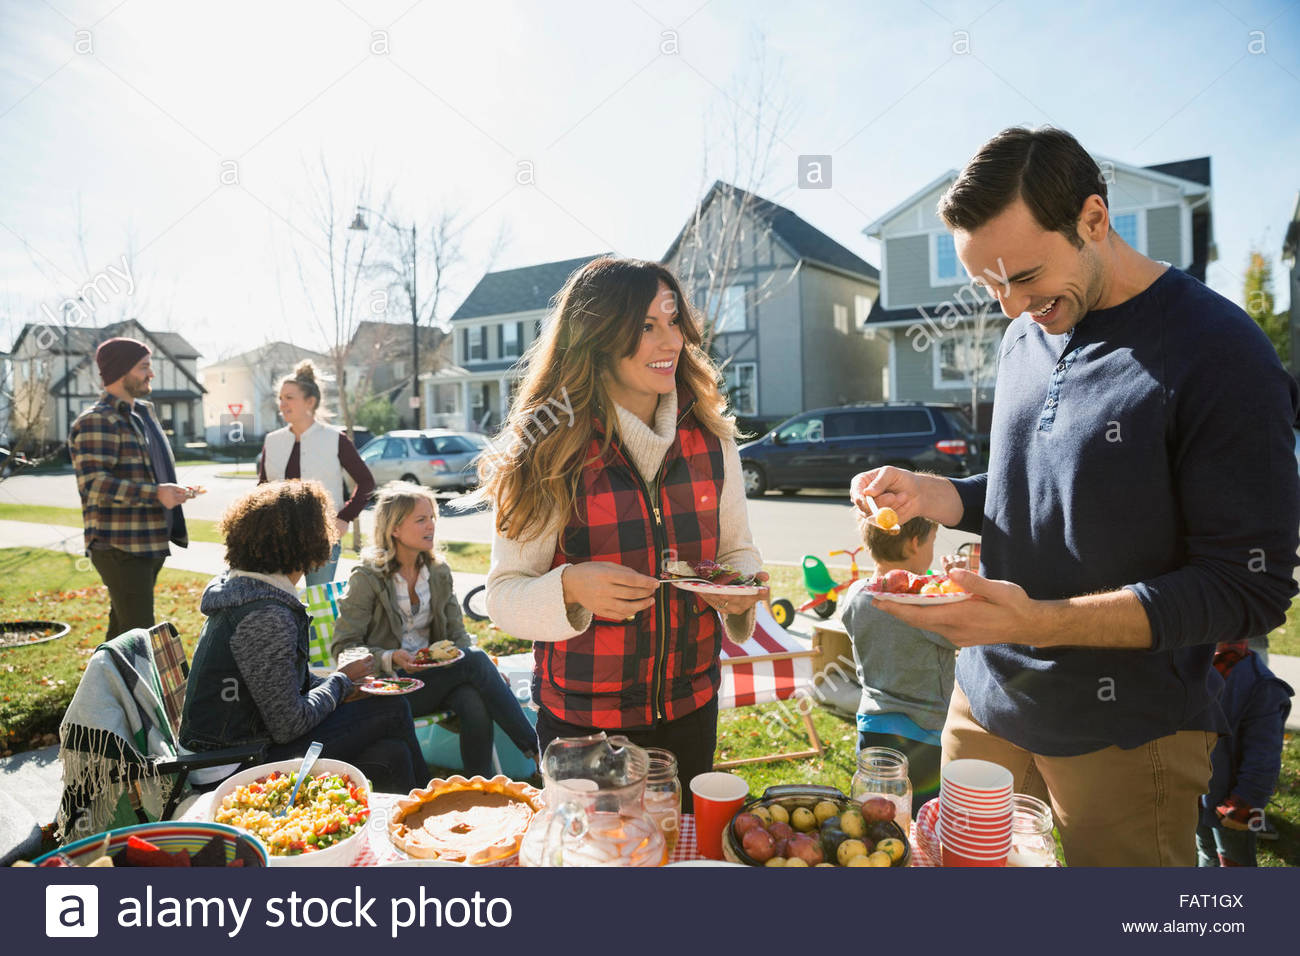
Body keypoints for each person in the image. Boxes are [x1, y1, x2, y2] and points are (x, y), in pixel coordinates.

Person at [850, 126, 1299, 866]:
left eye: (1023, 277)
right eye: (989, 285)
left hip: (1127, 737)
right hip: (986, 699)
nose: (1009, 306)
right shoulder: (1028, 331)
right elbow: (1031, 487)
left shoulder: (1221, 352)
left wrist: (1043, 620)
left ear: (1094, 219)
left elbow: (1247, 588)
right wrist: (936, 493)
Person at [481, 257, 767, 811]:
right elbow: (502, 596)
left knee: (677, 863)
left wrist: (740, 589)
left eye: (673, 321)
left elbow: (738, 551)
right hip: (585, 726)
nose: (671, 341)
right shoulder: (545, 448)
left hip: (692, 706)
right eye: (645, 326)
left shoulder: (712, 438)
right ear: (597, 338)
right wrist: (569, 586)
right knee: (597, 871)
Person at [180, 480, 428, 795]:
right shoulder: (265, 614)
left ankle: (408, 818)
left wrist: (341, 686)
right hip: (234, 766)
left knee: (393, 754)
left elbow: (280, 685)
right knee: (391, 710)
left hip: (232, 753)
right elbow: (289, 725)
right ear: (304, 541)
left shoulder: (250, 592)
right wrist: (339, 683)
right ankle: (431, 804)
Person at [330, 481, 539, 777]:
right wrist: (390, 657)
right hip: (392, 688)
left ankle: (477, 787)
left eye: (432, 518)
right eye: (421, 519)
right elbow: (345, 646)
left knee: (472, 697)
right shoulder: (367, 578)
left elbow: (457, 635)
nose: (431, 526)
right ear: (395, 529)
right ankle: (536, 750)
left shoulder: (438, 573)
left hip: (434, 679)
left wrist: (485, 673)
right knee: (476, 663)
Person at [69, 337, 202, 640]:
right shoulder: (98, 421)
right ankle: (134, 688)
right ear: (121, 371)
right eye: (144, 367)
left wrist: (173, 490)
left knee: (122, 632)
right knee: (138, 636)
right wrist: (156, 493)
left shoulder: (141, 416)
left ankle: (102, 686)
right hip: (119, 546)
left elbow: (150, 472)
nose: (150, 374)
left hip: (148, 542)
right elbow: (94, 483)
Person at [842, 512, 956, 808]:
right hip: (923, 734)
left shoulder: (856, 595)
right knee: (918, 819)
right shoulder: (924, 607)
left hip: (872, 723)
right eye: (932, 541)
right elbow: (957, 636)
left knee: (875, 811)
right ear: (914, 544)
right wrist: (953, 589)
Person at [258, 360, 375, 586]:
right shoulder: (272, 441)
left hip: (323, 537)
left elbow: (366, 482)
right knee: (277, 602)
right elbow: (263, 488)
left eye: (289, 398)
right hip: (279, 538)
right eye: (280, 398)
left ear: (310, 401)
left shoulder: (335, 439)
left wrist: (344, 517)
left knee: (318, 606)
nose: (282, 404)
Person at [1196, 640, 1293, 867]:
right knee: (1205, 853)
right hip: (1194, 796)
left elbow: (1263, 757)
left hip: (1229, 805)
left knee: (1233, 861)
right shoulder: (1196, 663)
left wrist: (1243, 804)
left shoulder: (1261, 686)